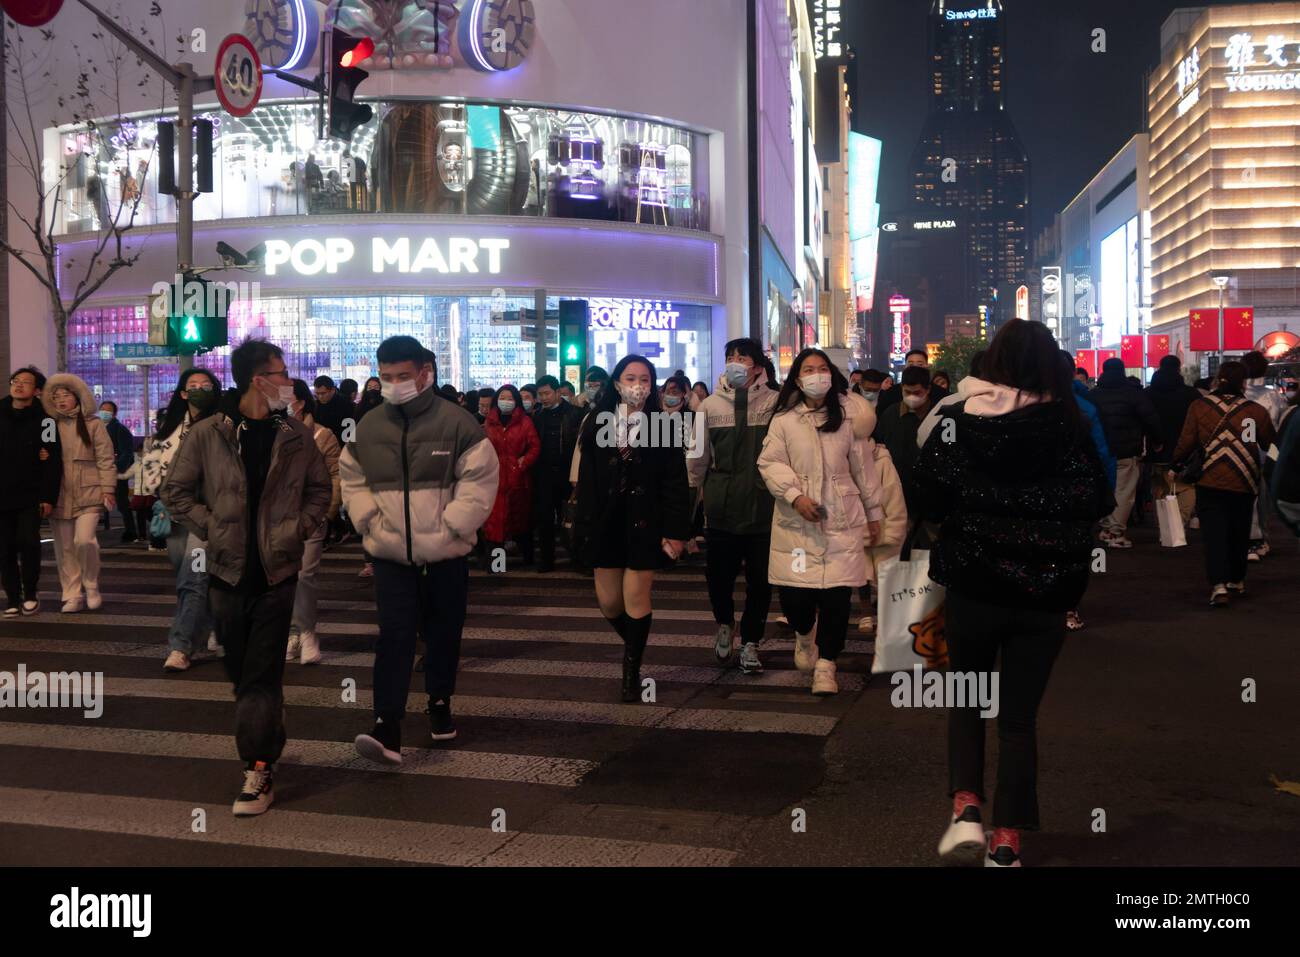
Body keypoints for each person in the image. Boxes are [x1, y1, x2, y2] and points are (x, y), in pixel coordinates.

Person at [913, 319, 1113, 868]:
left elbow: (929, 497)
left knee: (968, 700)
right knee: (1020, 720)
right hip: (1045, 595)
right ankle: (1007, 841)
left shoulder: (958, 420)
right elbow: (1097, 497)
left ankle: (966, 806)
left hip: (975, 588)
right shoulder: (1070, 422)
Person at [161, 339, 332, 815]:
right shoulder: (210, 433)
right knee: (242, 677)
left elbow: (321, 490)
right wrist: (213, 526)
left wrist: (298, 527)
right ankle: (268, 722)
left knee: (258, 678)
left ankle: (257, 769)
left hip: (277, 575)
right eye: (282, 373)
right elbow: (173, 491)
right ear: (260, 379)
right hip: (226, 574)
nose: (289, 381)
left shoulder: (295, 435)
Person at [342, 336, 499, 763]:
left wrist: (453, 527)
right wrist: (369, 521)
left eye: (403, 376)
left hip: (446, 556)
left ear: (425, 373)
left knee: (443, 634)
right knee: (394, 636)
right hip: (391, 556)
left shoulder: (458, 423)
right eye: (386, 376)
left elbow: (481, 481)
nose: (393, 384)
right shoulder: (368, 426)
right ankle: (386, 725)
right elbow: (351, 478)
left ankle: (439, 702)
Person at [757, 348, 879, 696]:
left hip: (841, 521)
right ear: (797, 378)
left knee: (837, 598)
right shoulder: (784, 421)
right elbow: (769, 463)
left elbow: (863, 469)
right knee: (796, 598)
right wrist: (795, 495)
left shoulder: (847, 418)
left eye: (822, 368)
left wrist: (874, 514)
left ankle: (827, 664)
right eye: (808, 369)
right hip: (797, 526)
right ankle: (803, 632)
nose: (816, 375)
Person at [571, 355, 691, 702]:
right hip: (606, 521)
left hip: (645, 522)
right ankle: (634, 644)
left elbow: (675, 484)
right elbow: (588, 480)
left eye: (644, 379)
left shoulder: (663, 425)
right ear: (617, 382)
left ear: (651, 386)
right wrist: (582, 526)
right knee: (609, 602)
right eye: (630, 377)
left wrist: (677, 532)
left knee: (636, 597)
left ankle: (631, 671)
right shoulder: (597, 421)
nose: (637, 385)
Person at [688, 338, 780, 673]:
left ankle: (751, 642)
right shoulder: (710, 406)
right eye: (731, 357)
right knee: (719, 577)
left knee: (760, 581)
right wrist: (692, 504)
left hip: (763, 506)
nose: (736, 362)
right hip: (722, 505)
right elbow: (697, 459)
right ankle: (724, 623)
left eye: (743, 357)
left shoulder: (776, 402)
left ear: (758, 365)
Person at [1172, 360, 1276, 607]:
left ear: (1218, 379)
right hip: (1244, 478)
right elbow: (1269, 445)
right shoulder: (1254, 411)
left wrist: (1175, 464)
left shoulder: (1199, 406)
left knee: (1215, 534)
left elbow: (1187, 442)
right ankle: (1236, 580)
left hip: (1209, 479)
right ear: (1243, 382)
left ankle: (1218, 585)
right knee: (1239, 532)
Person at [144, 368, 224, 671]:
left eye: (206, 385)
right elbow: (150, 466)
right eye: (193, 385)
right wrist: (162, 495)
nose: (199, 389)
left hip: (208, 515)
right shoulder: (169, 428)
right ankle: (214, 629)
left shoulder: (225, 425)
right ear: (183, 393)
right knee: (191, 579)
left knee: (193, 577)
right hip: (174, 512)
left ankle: (180, 646)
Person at [41, 374, 115, 613]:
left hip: (89, 492)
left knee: (84, 540)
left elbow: (105, 459)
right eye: (56, 397)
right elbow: (43, 455)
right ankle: (72, 594)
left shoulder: (94, 424)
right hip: (60, 493)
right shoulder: (49, 424)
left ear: (78, 397)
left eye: (66, 395)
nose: (61, 400)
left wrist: (109, 489)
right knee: (64, 548)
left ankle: (91, 584)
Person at [285, 380, 342, 665]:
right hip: (277, 517)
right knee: (283, 577)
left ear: (301, 403)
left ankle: (307, 632)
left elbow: (336, 473)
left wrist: (329, 510)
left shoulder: (322, 435)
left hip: (311, 514)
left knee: (304, 574)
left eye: (286, 398)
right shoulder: (268, 432)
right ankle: (293, 631)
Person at [0, 367, 61, 617]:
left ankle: (31, 593)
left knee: (29, 542)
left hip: (30, 493)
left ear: (36, 390)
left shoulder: (45, 419)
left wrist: (48, 496)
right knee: (4, 548)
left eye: (26, 382)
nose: (19, 385)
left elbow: (52, 457)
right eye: (16, 381)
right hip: (2, 493)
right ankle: (12, 597)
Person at [1089, 357, 1162, 549]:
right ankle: (1116, 532)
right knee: (1124, 492)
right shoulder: (1133, 394)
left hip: (1101, 451)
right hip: (1127, 451)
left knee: (1106, 489)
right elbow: (1150, 419)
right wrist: (1157, 440)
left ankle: (1105, 528)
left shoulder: (1094, 394)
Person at [1066, 352, 1116, 632]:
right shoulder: (1085, 407)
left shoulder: (1026, 404)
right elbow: (1102, 453)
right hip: (1080, 493)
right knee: (1077, 553)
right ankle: (1069, 608)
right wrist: (1105, 491)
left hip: (1042, 496)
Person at [482, 384, 541, 566]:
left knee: (520, 521)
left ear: (516, 401)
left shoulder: (525, 422)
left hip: (518, 480)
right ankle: (497, 565)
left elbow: (535, 446)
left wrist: (522, 463)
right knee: (495, 527)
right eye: (502, 398)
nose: (505, 402)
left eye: (509, 398)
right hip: (494, 480)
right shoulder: (490, 421)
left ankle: (528, 559)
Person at [532, 375, 584, 572]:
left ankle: (577, 558)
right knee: (545, 519)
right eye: (540, 394)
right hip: (545, 475)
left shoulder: (575, 414)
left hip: (567, 474)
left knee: (572, 518)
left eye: (546, 393)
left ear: (557, 392)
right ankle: (547, 560)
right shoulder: (538, 417)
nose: (543, 398)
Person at [1242, 351, 1287, 563]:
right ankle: (1260, 540)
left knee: (1244, 498)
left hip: (1238, 453)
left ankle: (1249, 539)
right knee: (1263, 499)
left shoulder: (1237, 396)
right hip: (1267, 453)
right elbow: (1281, 425)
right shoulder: (1274, 396)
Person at [1145, 355, 1199, 527]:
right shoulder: (1190, 394)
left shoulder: (1147, 394)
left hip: (1156, 448)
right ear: (1179, 368)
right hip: (1183, 449)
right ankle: (1178, 524)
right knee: (1185, 487)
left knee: (1159, 487)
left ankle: (1163, 524)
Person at [876, 365, 933, 519]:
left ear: (928, 389)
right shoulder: (890, 414)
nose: (912, 397)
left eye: (917, 393)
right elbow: (879, 447)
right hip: (895, 494)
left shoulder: (942, 416)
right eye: (907, 392)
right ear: (901, 388)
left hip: (930, 496)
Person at [98, 401, 137, 542]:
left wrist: (116, 468)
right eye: (102, 410)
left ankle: (131, 531)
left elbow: (126, 453)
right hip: (99, 472)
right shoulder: (97, 428)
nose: (104, 413)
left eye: (107, 410)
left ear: (114, 414)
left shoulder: (120, 429)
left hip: (116, 473)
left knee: (122, 503)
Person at [311, 375, 352, 444]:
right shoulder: (315, 405)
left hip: (341, 443)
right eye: (317, 394)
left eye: (323, 393)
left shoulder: (345, 404)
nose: (320, 397)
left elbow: (349, 430)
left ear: (332, 390)